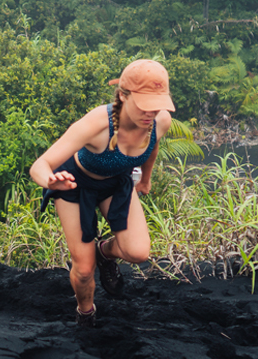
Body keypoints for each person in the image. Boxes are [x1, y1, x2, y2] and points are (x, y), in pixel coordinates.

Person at [30, 59, 172, 327]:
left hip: (115, 182)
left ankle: (104, 253)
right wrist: (51, 181)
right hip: (74, 183)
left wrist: (145, 179)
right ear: (122, 95)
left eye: (157, 104)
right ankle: (85, 312)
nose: (150, 112)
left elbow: (151, 147)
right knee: (83, 270)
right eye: (144, 104)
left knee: (139, 252)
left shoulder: (160, 121)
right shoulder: (98, 123)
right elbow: (39, 165)